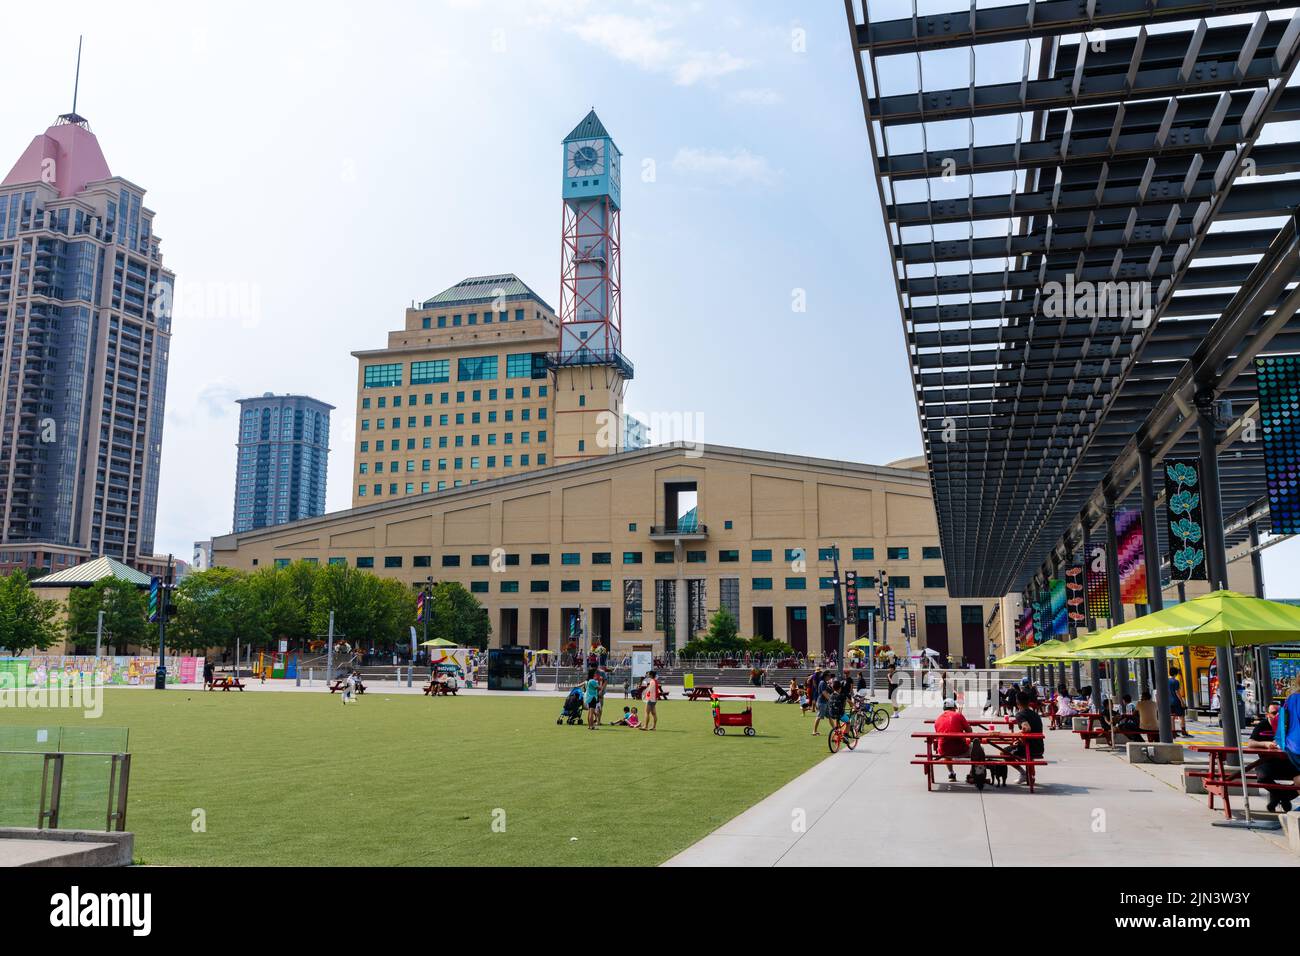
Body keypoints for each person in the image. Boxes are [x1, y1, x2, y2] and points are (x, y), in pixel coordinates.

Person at [995, 692, 1044, 784]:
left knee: (1003, 753)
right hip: (1039, 747)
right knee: (1017, 749)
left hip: (1029, 747)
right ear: (1029, 702)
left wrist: (1017, 735)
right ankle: (1030, 775)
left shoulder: (1020, 714)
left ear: (1017, 703)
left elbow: (1027, 728)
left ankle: (1024, 774)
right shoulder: (1035, 714)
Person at [934, 698, 974, 782]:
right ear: (953, 707)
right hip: (960, 750)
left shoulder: (938, 719)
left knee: (945, 744)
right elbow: (969, 732)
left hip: (944, 752)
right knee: (978, 748)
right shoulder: (958, 715)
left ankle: (951, 773)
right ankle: (971, 774)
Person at [1168, 667, 1189, 737]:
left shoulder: (1166, 681)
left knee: (1172, 717)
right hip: (1176, 701)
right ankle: (1183, 731)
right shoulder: (1175, 681)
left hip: (1169, 702)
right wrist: (1182, 701)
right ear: (1175, 673)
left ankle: (1173, 732)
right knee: (1181, 716)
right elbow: (1177, 692)